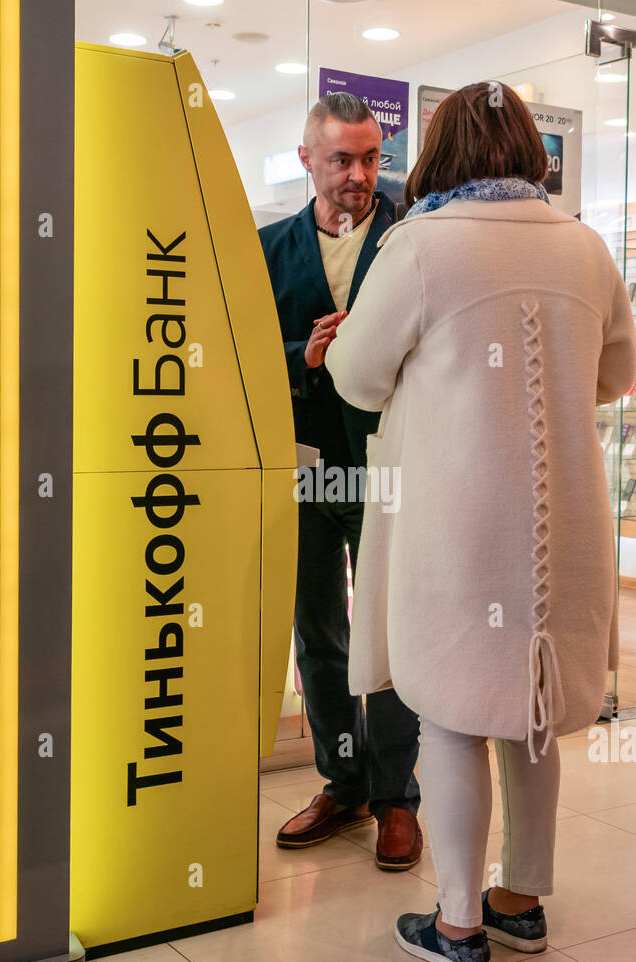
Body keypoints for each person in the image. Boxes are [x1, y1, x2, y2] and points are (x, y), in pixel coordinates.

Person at [325, 81, 636, 962]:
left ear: (442, 148)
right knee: (530, 717)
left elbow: (354, 375)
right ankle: (520, 902)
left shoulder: (421, 245)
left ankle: (458, 924)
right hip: (565, 525)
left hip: (455, 522)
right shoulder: (585, 246)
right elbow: (618, 371)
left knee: (452, 717)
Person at [258, 92, 423, 870]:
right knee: (319, 635)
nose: (360, 175)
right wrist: (304, 357)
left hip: (388, 468)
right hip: (303, 472)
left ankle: (398, 799)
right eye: (341, 160)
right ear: (306, 161)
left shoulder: (413, 242)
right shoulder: (265, 248)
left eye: (370, 158)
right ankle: (342, 780)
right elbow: (240, 355)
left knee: (388, 638)